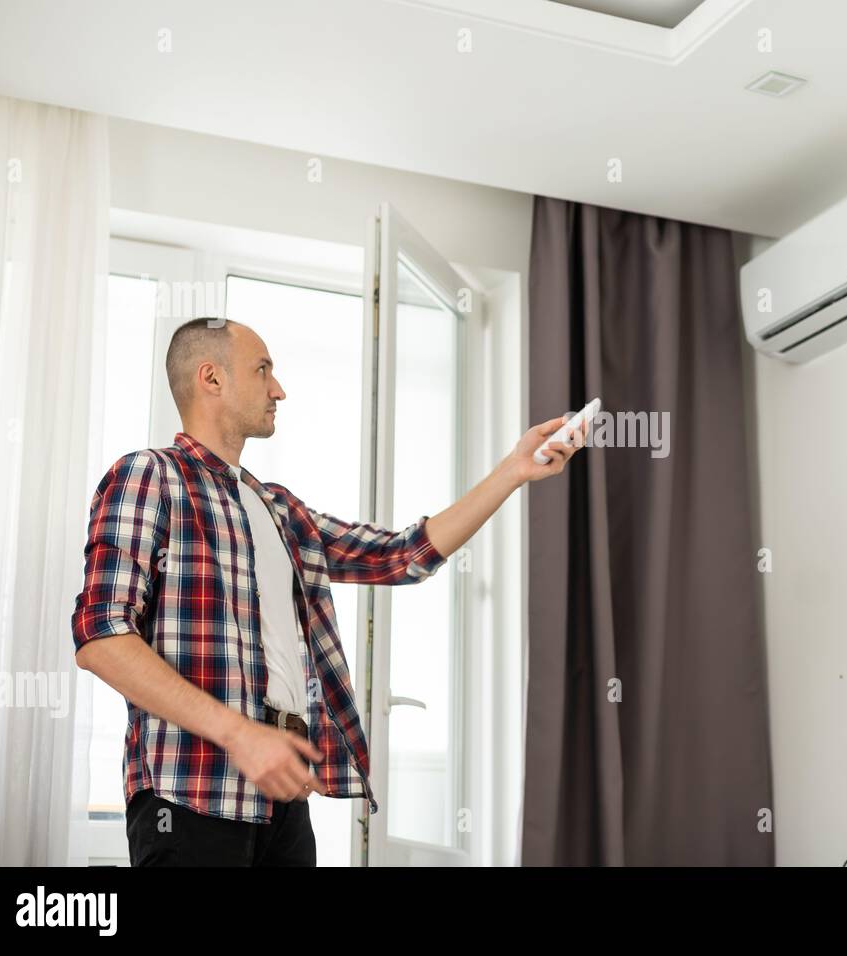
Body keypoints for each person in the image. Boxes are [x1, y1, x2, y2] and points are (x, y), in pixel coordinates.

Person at [71, 317, 584, 866]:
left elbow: (402, 556)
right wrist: (240, 735)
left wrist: (512, 470)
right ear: (211, 378)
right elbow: (101, 637)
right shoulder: (148, 477)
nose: (278, 389)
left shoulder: (278, 509)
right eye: (263, 369)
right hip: (189, 793)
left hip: (283, 798)